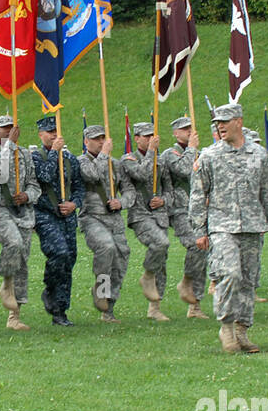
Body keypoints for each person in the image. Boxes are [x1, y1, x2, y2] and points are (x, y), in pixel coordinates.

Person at [189, 103, 268, 353]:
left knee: (249, 280)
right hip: (222, 226)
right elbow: (198, 195)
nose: (220, 126)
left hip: (252, 225)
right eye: (217, 122)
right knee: (229, 274)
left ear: (238, 122)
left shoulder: (259, 154)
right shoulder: (209, 156)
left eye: (225, 121)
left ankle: (242, 330)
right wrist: (199, 230)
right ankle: (227, 327)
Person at [0, 116, 39, 331]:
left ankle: (14, 315)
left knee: (23, 260)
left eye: (11, 128)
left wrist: (27, 195)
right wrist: (9, 146)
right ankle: (7, 282)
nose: (9, 132)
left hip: (23, 211)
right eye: (4, 129)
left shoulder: (25, 154)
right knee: (14, 243)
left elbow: (34, 183)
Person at [32, 115, 84, 326]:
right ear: (40, 134)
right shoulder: (35, 157)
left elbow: (80, 186)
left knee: (69, 259)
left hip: (67, 216)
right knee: (59, 253)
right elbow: (44, 176)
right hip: (45, 215)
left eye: (56, 131)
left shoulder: (70, 159)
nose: (53, 135)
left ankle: (60, 309)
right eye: (49, 132)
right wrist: (54, 152)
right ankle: (51, 291)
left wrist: (74, 203)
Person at [120, 121, 170, 321]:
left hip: (160, 215)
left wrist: (164, 200)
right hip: (140, 215)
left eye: (152, 135)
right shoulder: (128, 159)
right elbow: (141, 174)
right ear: (137, 138)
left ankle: (155, 307)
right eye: (146, 136)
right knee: (161, 243)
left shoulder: (161, 159)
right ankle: (147, 276)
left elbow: (169, 188)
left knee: (163, 260)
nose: (150, 139)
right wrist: (151, 152)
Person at [159, 116, 209, 319]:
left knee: (203, 250)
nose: (189, 131)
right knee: (195, 245)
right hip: (179, 209)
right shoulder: (170, 154)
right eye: (184, 129)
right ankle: (188, 284)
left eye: (190, 128)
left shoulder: (200, 153)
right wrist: (192, 149)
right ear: (175, 133)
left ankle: (195, 304)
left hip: (199, 209)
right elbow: (185, 169)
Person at [78, 124, 128, 322]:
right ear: (86, 141)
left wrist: (121, 202)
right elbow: (92, 175)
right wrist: (104, 156)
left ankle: (109, 307)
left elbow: (129, 190)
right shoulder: (80, 161)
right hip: (92, 217)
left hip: (114, 219)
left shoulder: (115, 164)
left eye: (102, 138)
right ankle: (101, 287)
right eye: (96, 138)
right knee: (106, 248)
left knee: (120, 260)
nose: (100, 142)